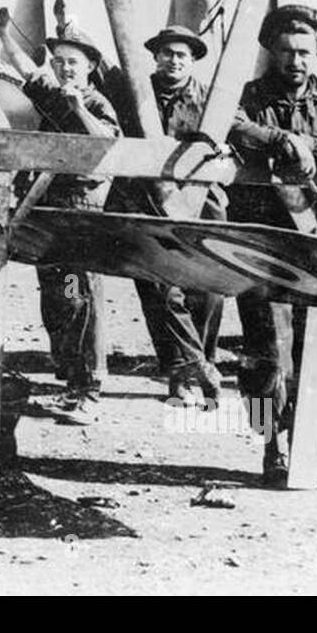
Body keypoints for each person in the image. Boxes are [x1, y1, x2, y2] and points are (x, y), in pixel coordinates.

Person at [226, 3, 317, 486]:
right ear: (272, 51)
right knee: (263, 350)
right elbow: (228, 123)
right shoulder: (250, 96)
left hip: (315, 244)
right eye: (286, 51)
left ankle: (300, 442)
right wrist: (282, 139)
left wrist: (307, 145)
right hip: (259, 241)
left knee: (312, 347)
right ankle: (270, 444)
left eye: (304, 52)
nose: (296, 61)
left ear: (316, 54)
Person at [0, 9, 121, 424]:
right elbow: (26, 70)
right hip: (46, 205)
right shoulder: (51, 92)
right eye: (61, 61)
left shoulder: (97, 101)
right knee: (57, 298)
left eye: (74, 62)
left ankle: (89, 388)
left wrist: (77, 108)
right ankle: (70, 380)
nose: (66, 67)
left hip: (81, 210)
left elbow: (106, 144)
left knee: (79, 295)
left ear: (89, 68)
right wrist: (3, 33)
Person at [107, 26, 227, 407]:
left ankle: (201, 360)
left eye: (182, 55)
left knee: (207, 289)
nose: (174, 61)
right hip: (143, 200)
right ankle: (181, 373)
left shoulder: (209, 99)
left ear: (192, 61)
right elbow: (94, 69)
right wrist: (66, 24)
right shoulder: (133, 91)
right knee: (159, 289)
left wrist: (226, 146)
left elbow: (236, 129)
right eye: (167, 54)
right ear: (155, 57)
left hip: (199, 199)